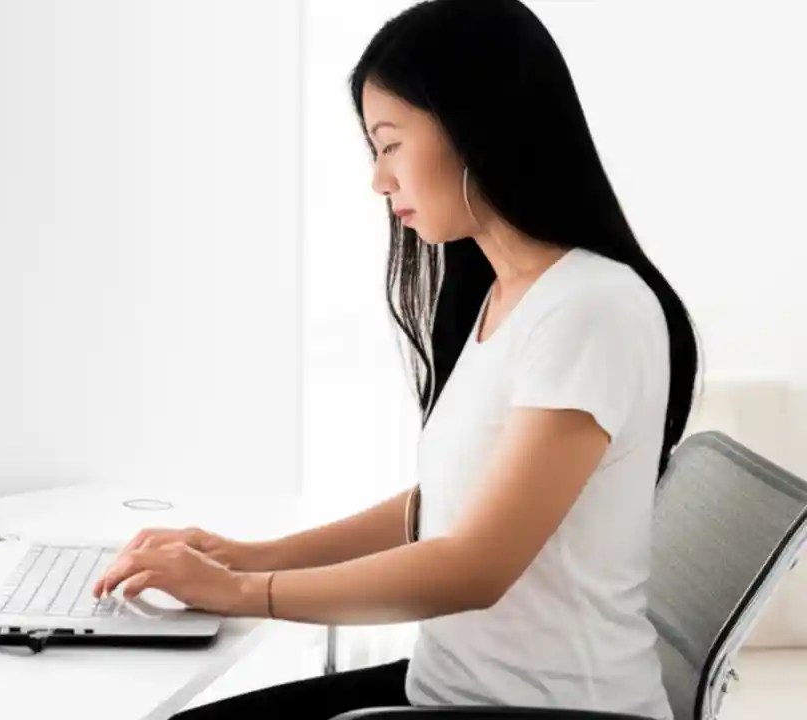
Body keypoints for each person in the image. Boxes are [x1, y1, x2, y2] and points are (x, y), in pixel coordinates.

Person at [91, 0, 700, 718]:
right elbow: (434, 512)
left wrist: (243, 595)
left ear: (476, 125)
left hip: (549, 713)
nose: (379, 181)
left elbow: (474, 567)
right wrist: (249, 555)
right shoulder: (507, 297)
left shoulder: (592, 308)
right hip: (455, 691)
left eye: (389, 144)